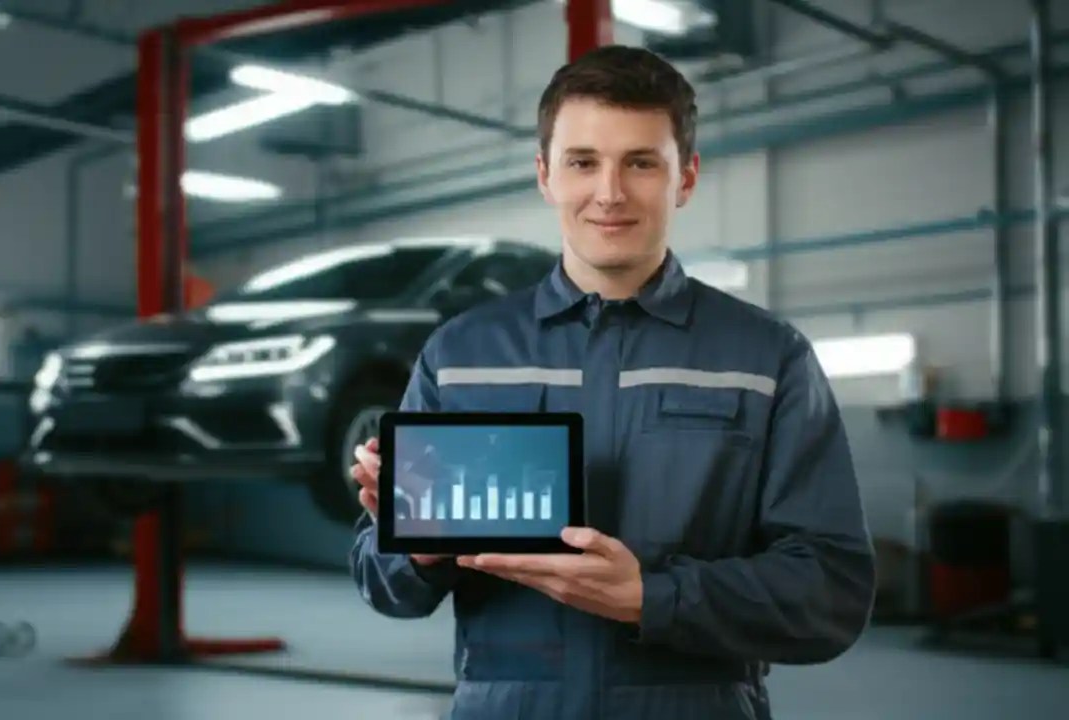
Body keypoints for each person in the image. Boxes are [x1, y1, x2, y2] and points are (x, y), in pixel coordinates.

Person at [348, 45, 876, 720]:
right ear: (545, 176)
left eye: (641, 163)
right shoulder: (461, 355)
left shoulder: (766, 359)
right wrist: (414, 549)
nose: (610, 192)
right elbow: (383, 584)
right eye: (583, 162)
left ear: (685, 178)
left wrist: (653, 597)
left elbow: (832, 590)